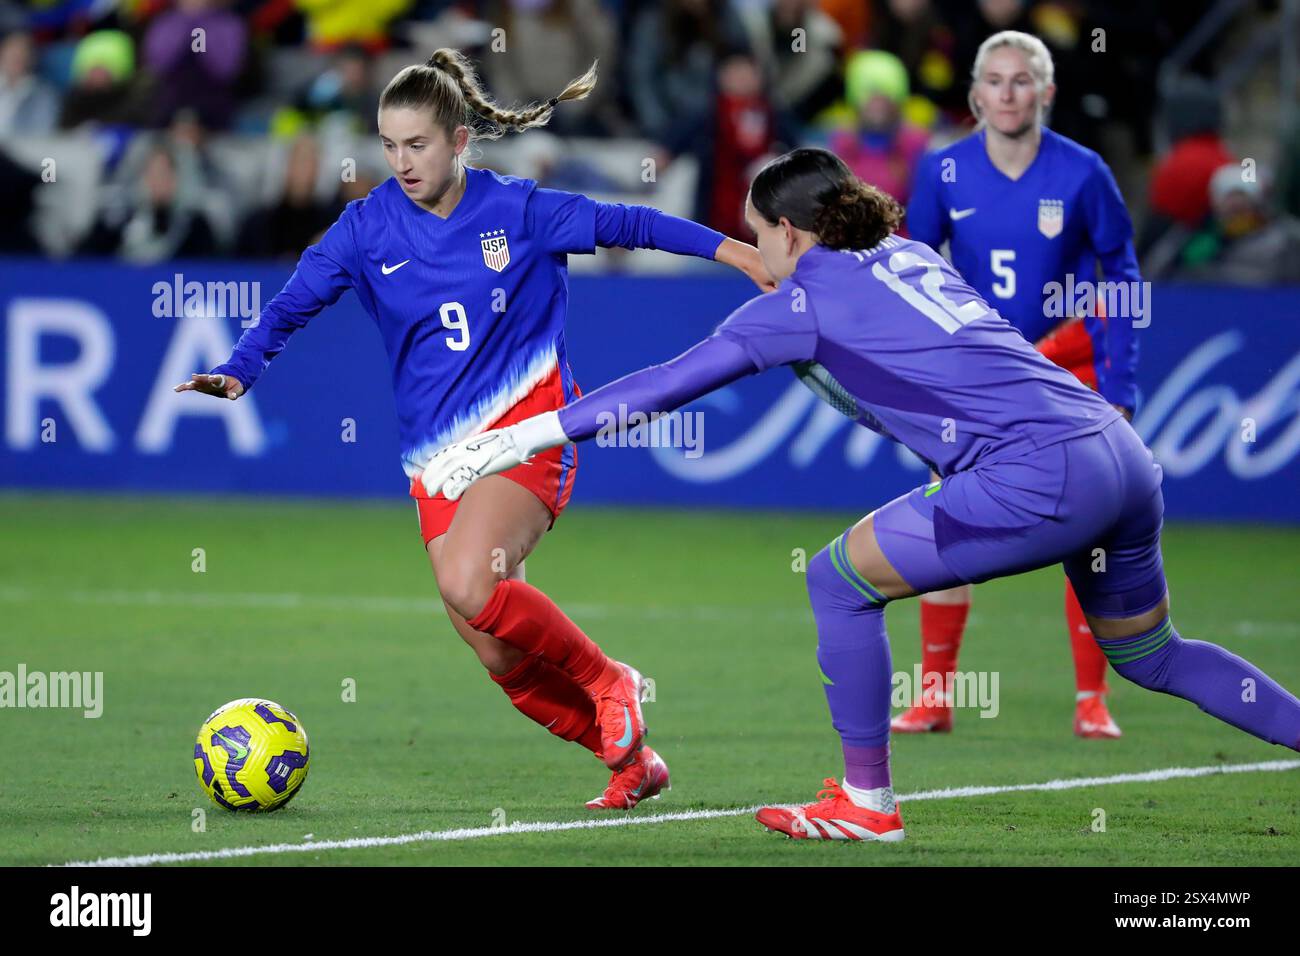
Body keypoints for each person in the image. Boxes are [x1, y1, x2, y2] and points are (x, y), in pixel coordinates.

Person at [420, 147, 1300, 841]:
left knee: (838, 580)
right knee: (1152, 657)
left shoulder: (796, 302)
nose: (752, 251)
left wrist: (515, 436)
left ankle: (868, 803)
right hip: (1118, 453)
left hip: (1038, 471)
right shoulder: (901, 249)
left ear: (792, 235)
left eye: (757, 234)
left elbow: (658, 388)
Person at [174, 48, 774, 811]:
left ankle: (608, 678)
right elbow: (289, 304)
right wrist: (239, 368)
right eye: (388, 146)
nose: (401, 161)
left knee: (468, 581)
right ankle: (629, 760)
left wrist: (732, 249)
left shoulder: (517, 211)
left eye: (416, 144)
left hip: (527, 435)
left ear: (459, 139)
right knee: (493, 646)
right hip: (434, 461)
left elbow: (629, 221)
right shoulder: (365, 230)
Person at [903, 30, 1142, 738]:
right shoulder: (943, 170)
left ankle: (1091, 700)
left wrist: (1121, 381)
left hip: (1067, 374)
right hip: (973, 381)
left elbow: (1121, 274)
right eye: (995, 81)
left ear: (1047, 92)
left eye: (1022, 80)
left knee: (1088, 531)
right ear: (975, 94)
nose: (1008, 94)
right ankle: (936, 697)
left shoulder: (1084, 172)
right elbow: (914, 269)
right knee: (952, 522)